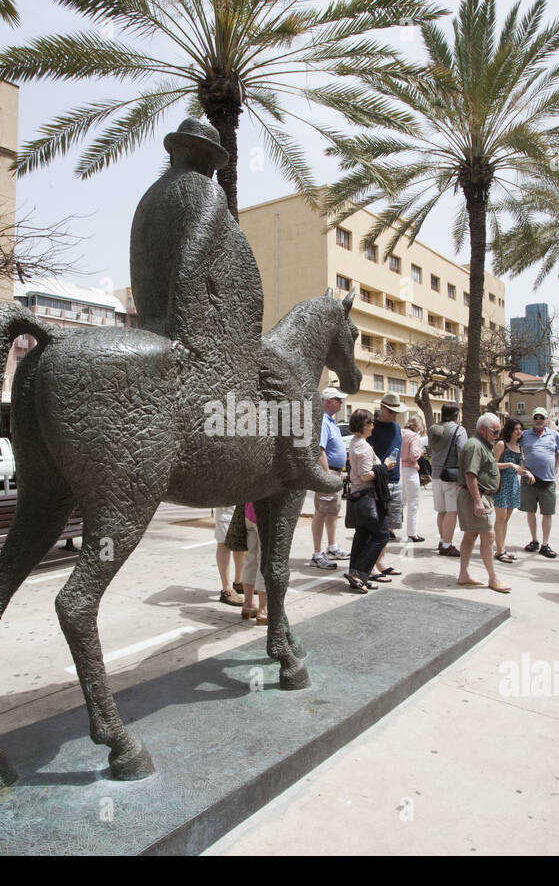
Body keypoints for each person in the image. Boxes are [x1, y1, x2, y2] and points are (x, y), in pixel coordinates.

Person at [130, 117, 335, 493]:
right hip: (210, 332)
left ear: (176, 150)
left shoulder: (151, 195)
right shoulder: (206, 192)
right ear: (210, 160)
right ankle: (303, 464)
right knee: (290, 380)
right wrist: (190, 329)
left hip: (157, 320)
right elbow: (193, 257)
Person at [456, 412, 511, 593]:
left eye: (498, 432)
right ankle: (493, 578)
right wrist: (478, 502)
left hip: (480, 495)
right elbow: (470, 474)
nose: (497, 435)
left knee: (471, 535)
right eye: (494, 432)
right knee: (489, 536)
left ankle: (463, 574)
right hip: (476, 496)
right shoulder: (475, 446)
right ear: (482, 429)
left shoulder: (484, 444)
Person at [344, 408, 393, 592]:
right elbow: (365, 476)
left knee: (362, 535)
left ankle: (355, 574)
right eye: (370, 423)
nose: (373, 426)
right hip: (367, 496)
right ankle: (360, 573)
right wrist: (385, 467)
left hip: (358, 496)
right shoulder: (363, 446)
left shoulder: (355, 442)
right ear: (363, 425)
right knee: (381, 535)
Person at [310, 386, 351, 569]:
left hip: (335, 472)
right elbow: (320, 450)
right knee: (322, 512)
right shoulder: (323, 422)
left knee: (332, 511)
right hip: (329, 472)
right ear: (328, 401)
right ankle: (317, 554)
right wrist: (327, 474)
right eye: (338, 400)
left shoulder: (330, 421)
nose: (341, 403)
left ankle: (332, 547)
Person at [368, 393, 405, 577]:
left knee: (387, 527)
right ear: (382, 408)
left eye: (395, 411)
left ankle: (380, 561)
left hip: (395, 480)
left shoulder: (397, 427)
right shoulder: (372, 428)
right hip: (379, 480)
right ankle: (372, 564)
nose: (393, 414)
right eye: (391, 411)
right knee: (376, 526)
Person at [520, 406, 559, 558]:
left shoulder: (554, 435)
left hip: (548, 480)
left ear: (547, 420)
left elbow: (557, 456)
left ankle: (545, 544)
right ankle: (534, 540)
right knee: (530, 512)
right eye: (536, 417)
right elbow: (518, 456)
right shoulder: (524, 435)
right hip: (529, 480)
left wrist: (554, 472)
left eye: (541, 418)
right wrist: (525, 471)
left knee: (547, 513)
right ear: (532, 419)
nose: (538, 420)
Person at [426, 402, 466, 557]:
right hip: (451, 475)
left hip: (435, 474)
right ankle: (447, 545)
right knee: (452, 511)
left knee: (441, 511)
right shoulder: (458, 430)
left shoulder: (433, 429)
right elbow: (462, 451)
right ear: (456, 414)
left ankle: (443, 540)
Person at [491, 417, 533, 563]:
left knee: (506, 520)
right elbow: (492, 465)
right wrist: (509, 464)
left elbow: (520, 468)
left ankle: (502, 548)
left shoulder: (519, 447)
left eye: (521, 429)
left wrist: (528, 473)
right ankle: (499, 550)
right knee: (500, 519)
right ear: (509, 430)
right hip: (502, 485)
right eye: (516, 429)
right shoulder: (501, 444)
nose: (519, 431)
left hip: (513, 485)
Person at [239, 502, 268, 625]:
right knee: (264, 561)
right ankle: (263, 610)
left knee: (250, 559)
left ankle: (248, 604)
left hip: (249, 513)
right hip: (265, 514)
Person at [400, 415, 426, 542]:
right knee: (413, 503)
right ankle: (412, 532)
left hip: (399, 469)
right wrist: (421, 452)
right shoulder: (414, 436)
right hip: (410, 469)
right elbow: (414, 454)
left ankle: (391, 527)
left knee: (400, 501)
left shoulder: (400, 433)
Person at [213, 505, 245, 606]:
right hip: (225, 502)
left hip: (241, 502)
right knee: (224, 543)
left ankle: (238, 583)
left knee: (240, 542)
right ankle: (226, 589)